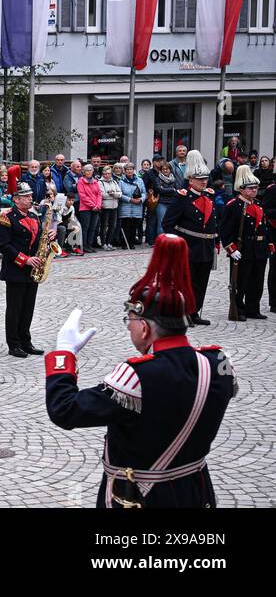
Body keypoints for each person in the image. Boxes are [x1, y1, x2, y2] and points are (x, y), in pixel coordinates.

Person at [43, 235, 236, 507]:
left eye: (130, 320)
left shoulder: (137, 376)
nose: (128, 326)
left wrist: (64, 354)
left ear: (145, 327)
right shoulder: (217, 362)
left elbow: (65, 410)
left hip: (141, 497)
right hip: (195, 490)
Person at [162, 150, 217, 327]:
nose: (203, 182)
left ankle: (195, 312)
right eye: (200, 179)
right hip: (188, 247)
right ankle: (184, 313)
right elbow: (168, 223)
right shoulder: (182, 198)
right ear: (191, 179)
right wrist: (177, 244)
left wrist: (217, 242)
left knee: (201, 283)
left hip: (206, 247)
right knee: (186, 283)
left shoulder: (209, 195)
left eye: (205, 179)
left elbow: (214, 222)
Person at [0, 175, 46, 359]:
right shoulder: (6, 217)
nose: (30, 199)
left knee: (28, 307)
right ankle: (14, 343)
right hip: (15, 269)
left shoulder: (34, 215)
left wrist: (48, 239)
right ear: (16, 199)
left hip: (33, 269)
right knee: (15, 307)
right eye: (26, 196)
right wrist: (25, 259)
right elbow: (3, 245)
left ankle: (26, 340)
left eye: (31, 195)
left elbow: (37, 239)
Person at [220, 165, 268, 321]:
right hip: (243, 248)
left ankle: (253, 308)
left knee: (257, 281)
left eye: (256, 188)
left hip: (259, 248)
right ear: (241, 189)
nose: (254, 190)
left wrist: (269, 245)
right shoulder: (233, 206)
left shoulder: (259, 205)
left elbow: (263, 228)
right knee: (241, 281)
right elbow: (225, 231)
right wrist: (231, 249)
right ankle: (239, 309)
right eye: (251, 188)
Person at [117, 163, 145, 250]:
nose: (129, 171)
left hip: (137, 206)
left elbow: (144, 192)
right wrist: (129, 199)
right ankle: (125, 243)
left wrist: (141, 199)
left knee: (134, 227)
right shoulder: (121, 181)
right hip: (125, 207)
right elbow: (119, 194)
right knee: (126, 227)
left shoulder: (139, 180)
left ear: (133, 170)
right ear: (124, 171)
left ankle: (132, 243)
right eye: (127, 169)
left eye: (131, 169)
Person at [75, 164, 101, 253]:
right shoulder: (80, 181)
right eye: (87, 170)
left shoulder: (95, 181)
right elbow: (83, 196)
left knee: (93, 228)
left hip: (96, 208)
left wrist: (97, 205)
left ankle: (90, 245)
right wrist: (92, 205)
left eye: (91, 170)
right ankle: (84, 245)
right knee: (85, 228)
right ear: (84, 172)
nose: (89, 172)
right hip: (85, 208)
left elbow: (99, 194)